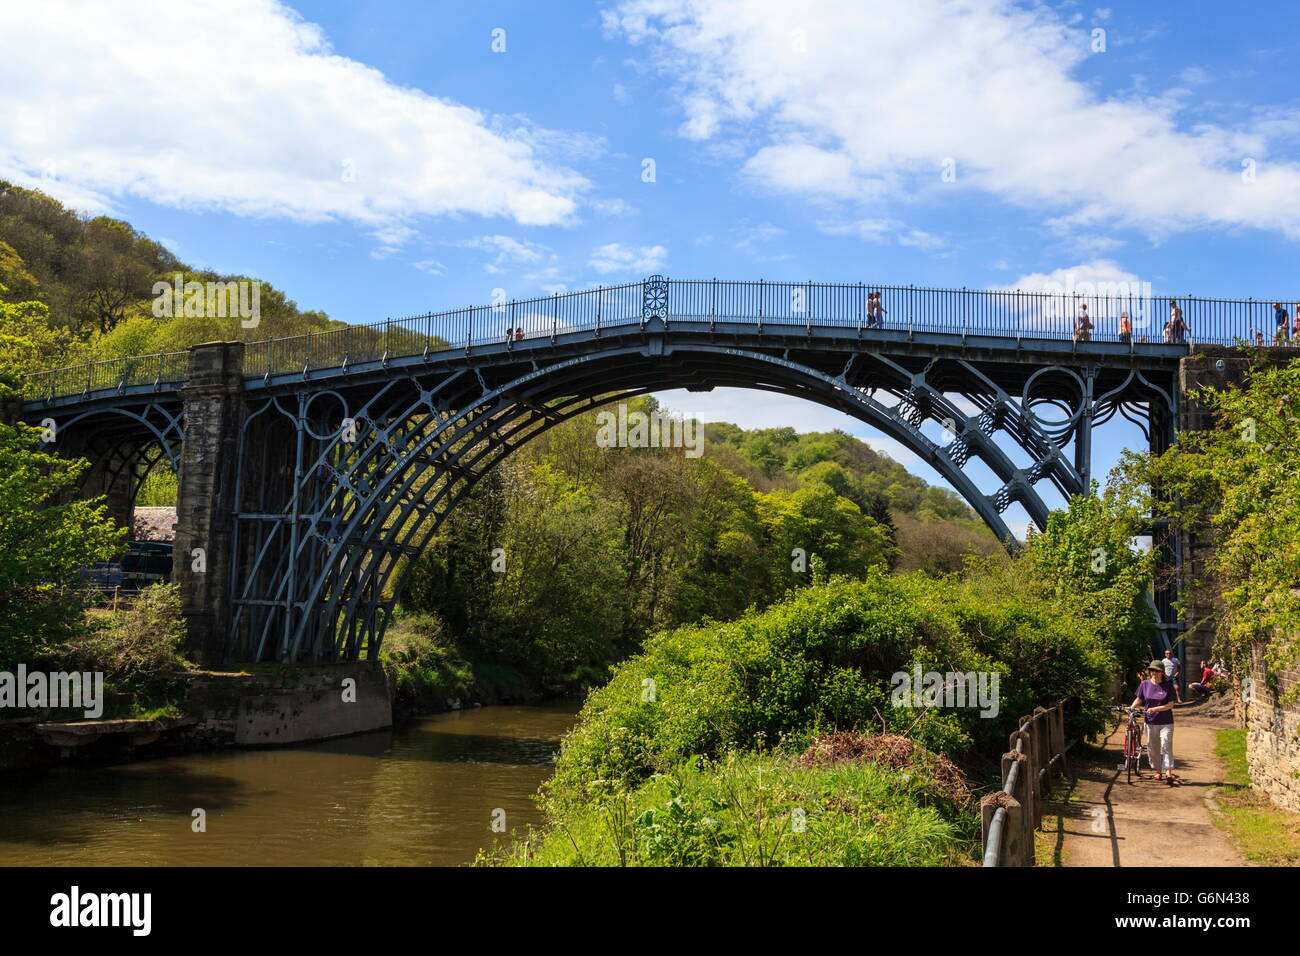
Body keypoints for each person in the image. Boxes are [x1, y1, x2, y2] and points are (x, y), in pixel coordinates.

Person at [1130, 661, 1179, 783]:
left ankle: (1168, 772)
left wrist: (1155, 709)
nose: (1154, 673)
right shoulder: (1145, 684)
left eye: (1156, 671)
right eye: (1152, 670)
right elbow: (1139, 699)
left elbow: (1170, 705)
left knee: (1166, 745)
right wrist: (1131, 709)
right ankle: (1158, 771)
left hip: (1166, 722)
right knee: (1153, 747)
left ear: (1162, 673)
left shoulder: (1168, 686)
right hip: (1150, 722)